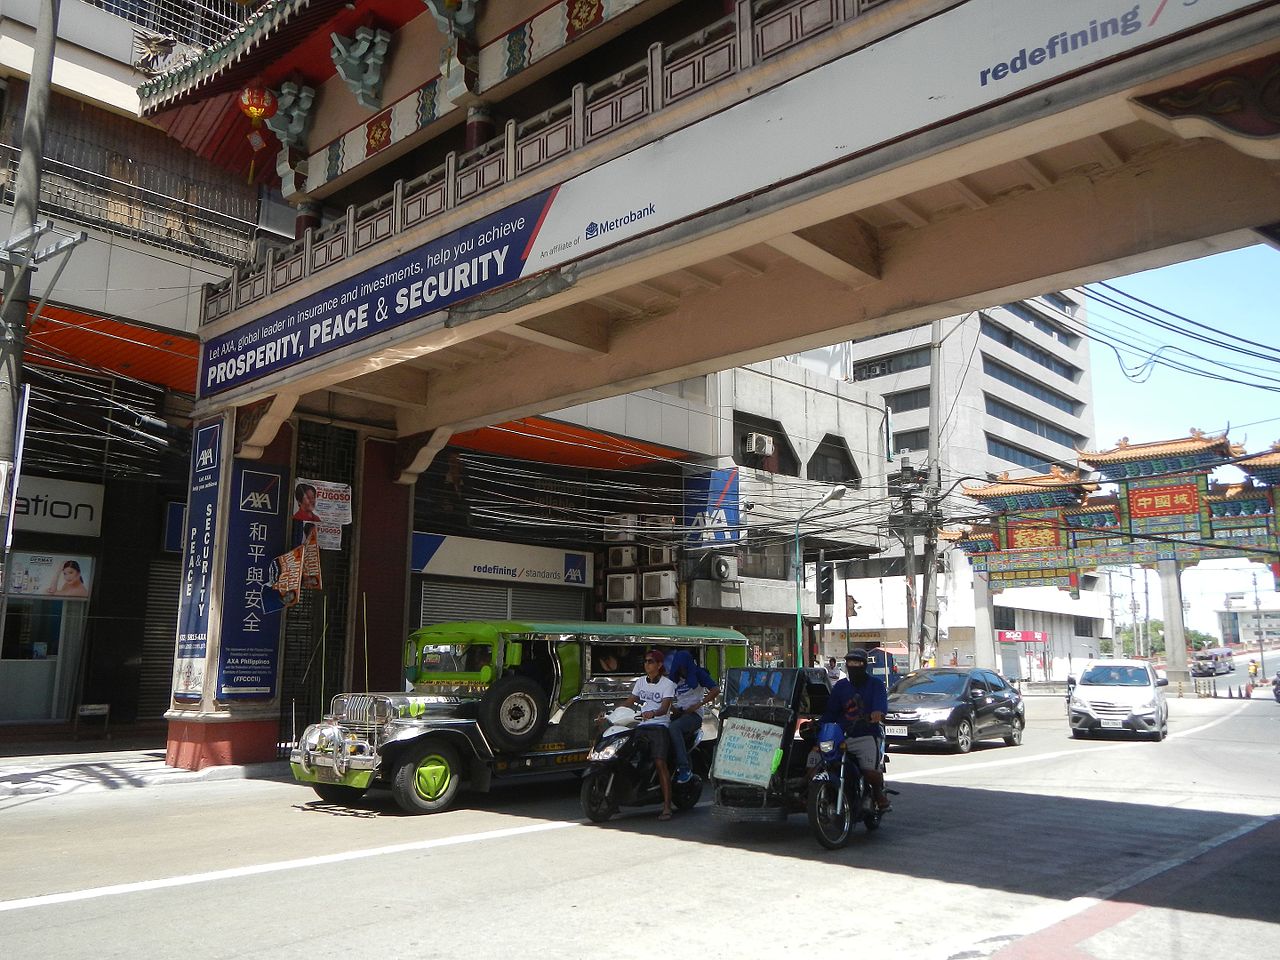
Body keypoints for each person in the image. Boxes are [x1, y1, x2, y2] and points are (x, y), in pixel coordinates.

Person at [819, 648, 891, 811]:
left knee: (869, 771)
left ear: (864, 665)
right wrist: (819, 723)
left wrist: (877, 713)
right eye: (850, 662)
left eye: (857, 662)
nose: (854, 665)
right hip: (841, 734)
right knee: (817, 760)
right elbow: (831, 711)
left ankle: (879, 795)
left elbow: (881, 706)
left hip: (866, 733)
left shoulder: (876, 684)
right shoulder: (840, 687)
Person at [617, 649, 677, 820]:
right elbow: (630, 701)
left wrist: (654, 713)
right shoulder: (640, 682)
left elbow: (665, 708)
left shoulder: (668, 684)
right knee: (621, 755)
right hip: (641, 725)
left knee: (660, 763)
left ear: (659, 665)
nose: (647, 664)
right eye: (645, 661)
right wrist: (613, 713)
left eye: (650, 661)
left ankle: (666, 806)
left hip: (659, 727)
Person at [663, 648, 720, 785]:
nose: (681, 670)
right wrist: (673, 707)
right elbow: (667, 695)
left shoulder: (699, 673)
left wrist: (698, 704)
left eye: (683, 667)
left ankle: (684, 768)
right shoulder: (675, 678)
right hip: (680, 713)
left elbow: (715, 689)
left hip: (694, 715)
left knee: (674, 728)